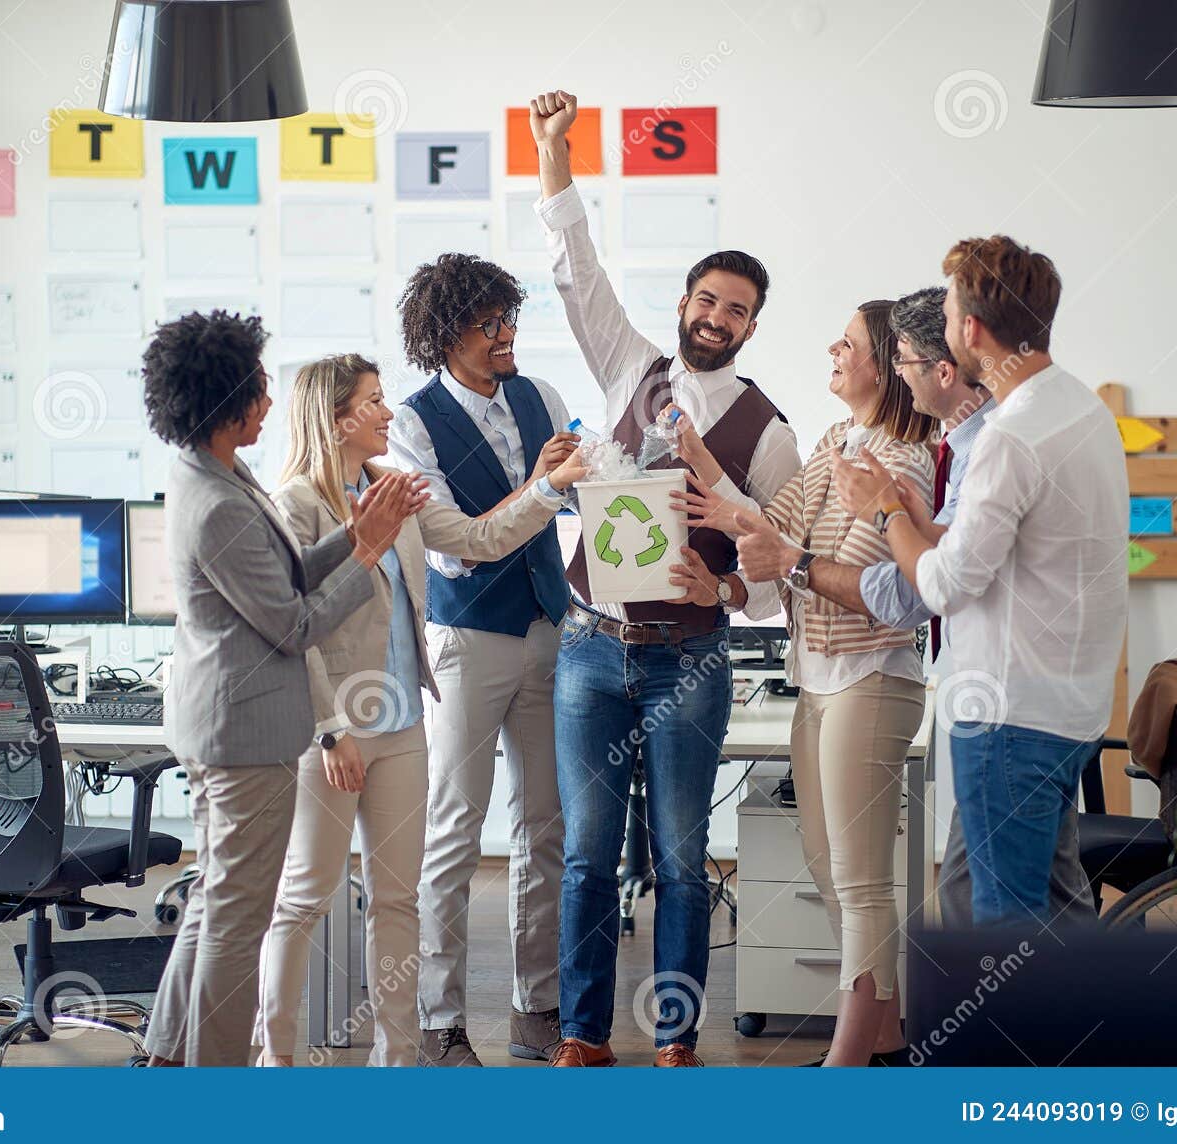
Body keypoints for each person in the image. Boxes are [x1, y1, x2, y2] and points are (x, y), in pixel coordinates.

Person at [529, 89, 801, 1068]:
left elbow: (776, 570)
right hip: (592, 652)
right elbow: (574, 268)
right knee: (584, 855)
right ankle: (580, 1030)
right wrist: (555, 153)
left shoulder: (771, 432)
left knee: (684, 862)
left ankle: (678, 1037)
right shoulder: (628, 370)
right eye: (707, 300)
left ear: (750, 327)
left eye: (737, 310)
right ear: (683, 304)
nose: (717, 317)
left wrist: (720, 591)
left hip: (690, 657)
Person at [257, 354, 586, 1067]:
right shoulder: (294, 505)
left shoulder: (394, 489)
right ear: (337, 416)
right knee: (305, 897)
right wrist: (327, 730)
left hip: (403, 721)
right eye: (374, 402)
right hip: (337, 733)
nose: (387, 413)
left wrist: (546, 488)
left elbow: (476, 539)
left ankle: (399, 1060)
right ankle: (274, 1064)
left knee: (397, 900)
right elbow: (292, 629)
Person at [730, 288, 1096, 926]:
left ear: (946, 367)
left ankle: (908, 1025)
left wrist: (860, 530)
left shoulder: (971, 450)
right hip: (989, 690)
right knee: (1038, 890)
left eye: (899, 358)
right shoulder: (936, 447)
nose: (900, 372)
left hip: (1002, 696)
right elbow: (932, 566)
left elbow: (903, 596)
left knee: (967, 894)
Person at [140, 312, 423, 1068]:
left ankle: (170, 1056)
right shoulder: (221, 502)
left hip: (230, 727)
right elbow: (296, 625)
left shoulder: (216, 474)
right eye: (259, 389)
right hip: (248, 733)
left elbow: (288, 571)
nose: (270, 401)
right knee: (241, 919)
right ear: (225, 397)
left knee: (213, 903)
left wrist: (355, 533)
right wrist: (365, 554)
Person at [833, 236, 1128, 927]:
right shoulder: (1081, 409)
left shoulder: (1009, 435)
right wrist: (913, 515)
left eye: (949, 308)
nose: (942, 322)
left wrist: (882, 510)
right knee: (1037, 911)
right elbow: (1004, 552)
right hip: (1068, 711)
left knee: (1008, 931)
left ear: (971, 329)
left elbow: (944, 587)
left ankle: (1028, 1039)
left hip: (1009, 717)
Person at [674, 300, 935, 1066]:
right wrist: (698, 460)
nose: (832, 347)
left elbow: (867, 581)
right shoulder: (834, 440)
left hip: (869, 676)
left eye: (847, 342)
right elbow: (771, 519)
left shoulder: (905, 456)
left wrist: (779, 557)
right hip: (817, 678)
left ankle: (846, 1062)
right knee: (826, 861)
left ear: (885, 365)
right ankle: (884, 1037)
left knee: (858, 878)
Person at [387, 255, 580, 1066]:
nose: (507, 335)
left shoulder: (542, 397)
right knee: (455, 832)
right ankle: (439, 1021)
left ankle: (539, 1010)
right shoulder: (412, 423)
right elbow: (458, 550)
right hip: (467, 640)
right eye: (488, 322)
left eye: (510, 318)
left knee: (546, 827)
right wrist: (540, 489)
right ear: (445, 334)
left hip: (549, 629)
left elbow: (577, 493)